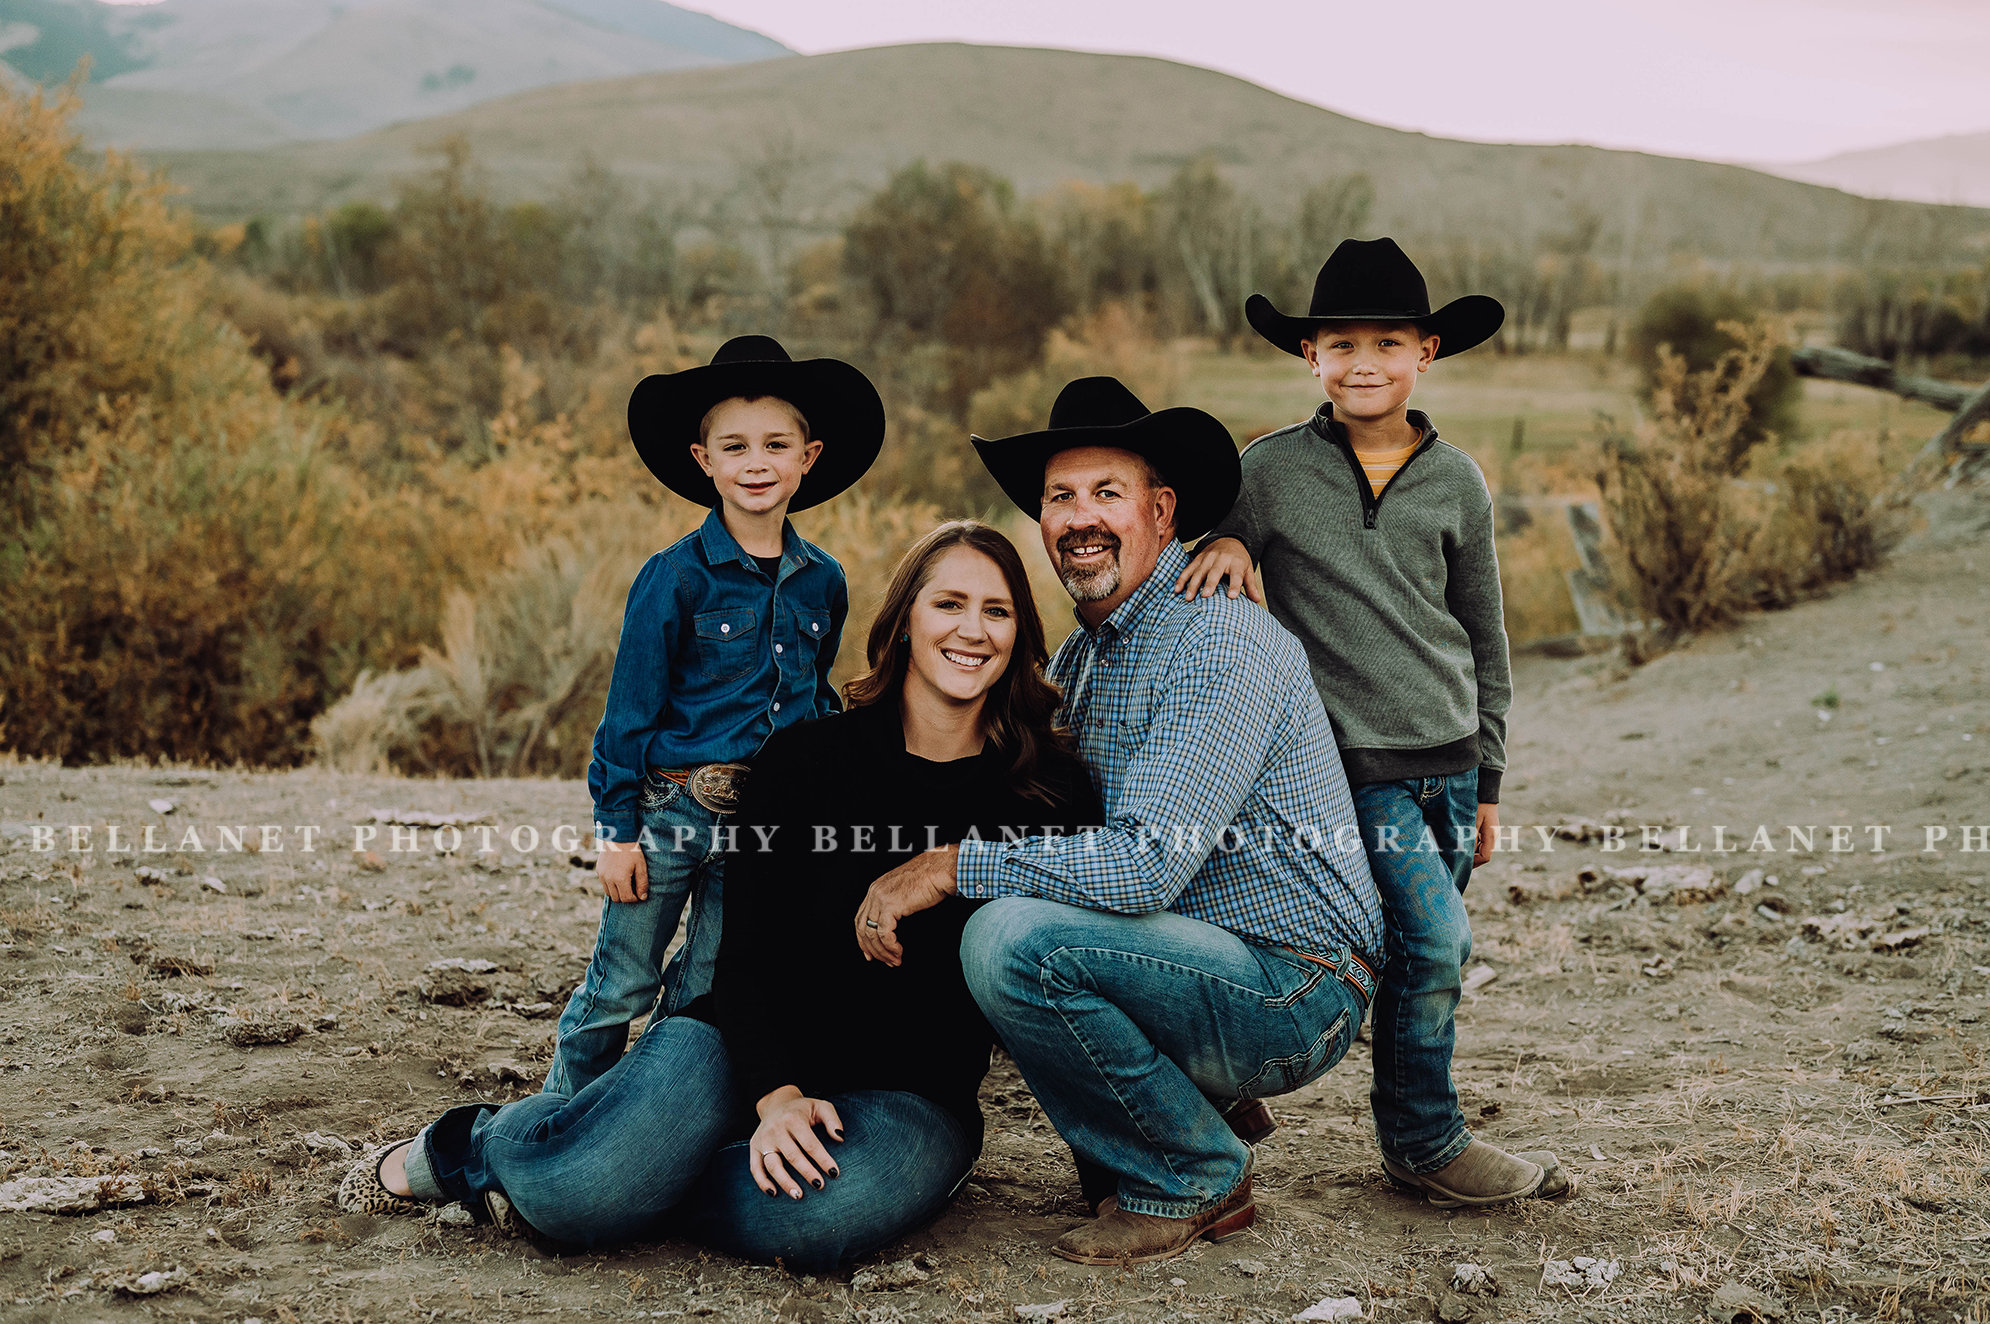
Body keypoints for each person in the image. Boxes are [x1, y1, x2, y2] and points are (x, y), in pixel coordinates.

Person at [337, 521, 1101, 1273]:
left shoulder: (1051, 792)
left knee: (815, 1215)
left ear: (1021, 635)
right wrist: (776, 1095)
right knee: (580, 1192)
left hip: (911, 1094)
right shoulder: (805, 757)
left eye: (997, 611)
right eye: (949, 604)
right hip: (742, 1046)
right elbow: (745, 956)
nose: (973, 630)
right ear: (903, 622)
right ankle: (482, 1141)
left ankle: (644, 1173)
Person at [852, 377, 1385, 1266]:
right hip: (1190, 955)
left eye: (1108, 493)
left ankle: (1194, 1175)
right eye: (1060, 498)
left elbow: (1140, 868)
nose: (1080, 517)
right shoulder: (1083, 656)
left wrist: (946, 866)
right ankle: (1185, 1114)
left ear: (1163, 511)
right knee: (1008, 902)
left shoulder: (1217, 637)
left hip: (1295, 982)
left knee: (1010, 939)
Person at [1175, 236, 1563, 1207]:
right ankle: (1429, 1141)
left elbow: (1484, 640)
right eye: (1339, 343)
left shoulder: (1457, 482)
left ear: (1425, 353)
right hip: (1352, 768)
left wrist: (1490, 780)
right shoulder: (1267, 471)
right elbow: (1205, 546)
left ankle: (1276, 1101)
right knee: (1434, 944)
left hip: (1449, 759)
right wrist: (1225, 541)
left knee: (1406, 954)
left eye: (1385, 342)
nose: (1362, 362)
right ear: (1309, 357)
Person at [548, 335, 883, 1097]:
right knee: (619, 986)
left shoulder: (821, 582)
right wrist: (616, 833)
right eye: (735, 447)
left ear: (810, 456)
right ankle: (556, 1122)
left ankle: (645, 1119)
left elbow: (812, 699)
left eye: (776, 444)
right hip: (669, 813)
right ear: (705, 462)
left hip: (764, 825)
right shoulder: (672, 578)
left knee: (707, 990)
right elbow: (627, 717)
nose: (756, 463)